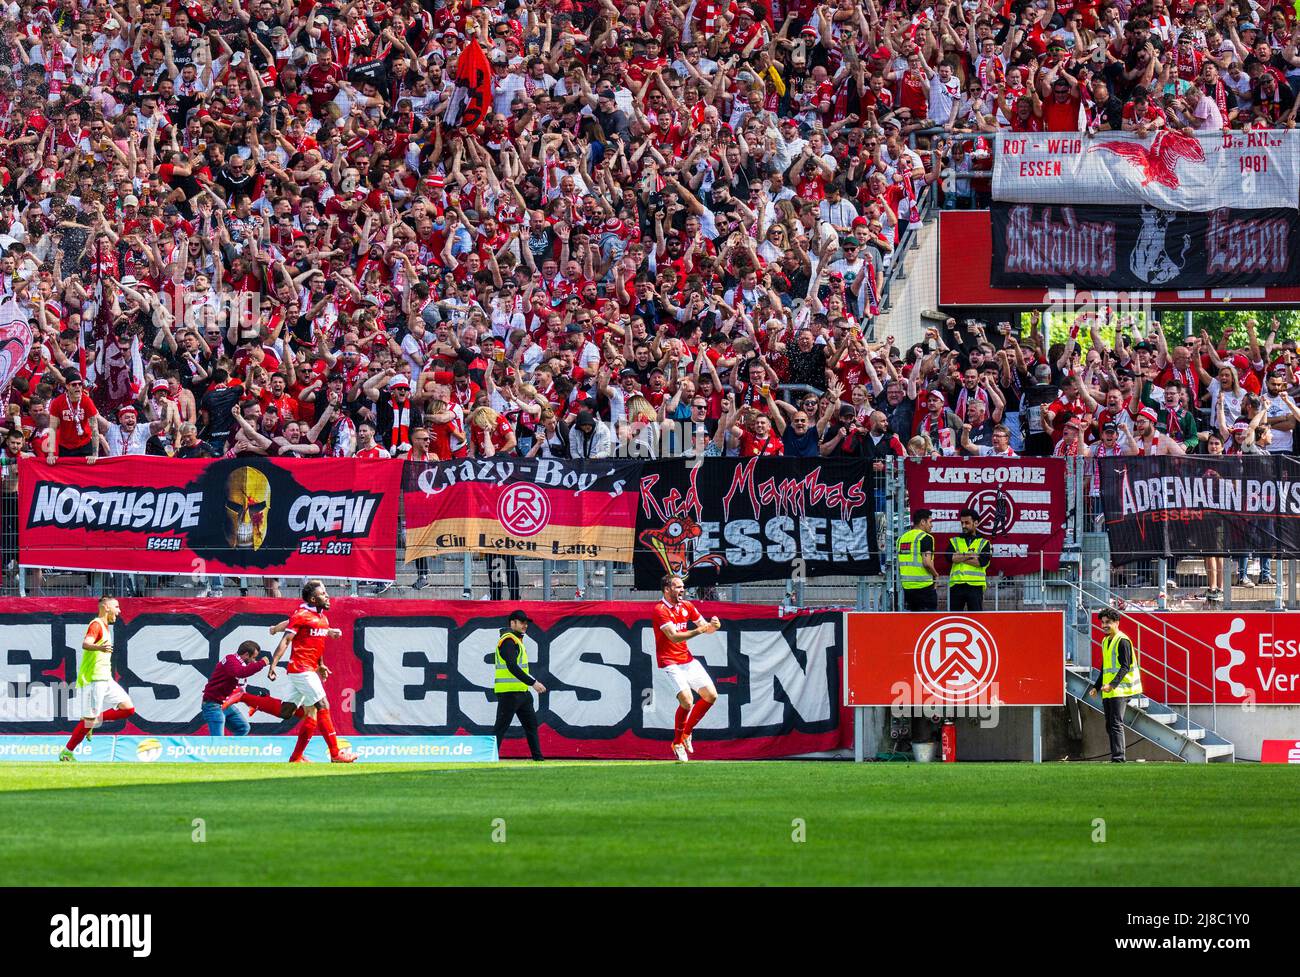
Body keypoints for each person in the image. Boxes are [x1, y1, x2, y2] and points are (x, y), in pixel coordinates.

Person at [268, 580, 358, 764]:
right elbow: (286, 641)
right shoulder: (301, 615)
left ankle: (295, 758)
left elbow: (317, 645)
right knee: (322, 704)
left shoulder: (323, 619)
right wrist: (273, 664)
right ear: (312, 598)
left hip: (307, 669)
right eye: (323, 593)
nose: (327, 596)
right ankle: (335, 753)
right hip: (301, 669)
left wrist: (321, 665)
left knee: (291, 712)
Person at [652, 573, 722, 763]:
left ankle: (687, 733)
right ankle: (677, 743)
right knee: (688, 701)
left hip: (687, 660)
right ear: (667, 590)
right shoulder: (660, 610)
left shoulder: (687, 606)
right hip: (669, 662)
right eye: (678, 587)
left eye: (683, 586)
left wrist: (714, 625)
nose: (682, 590)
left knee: (711, 696)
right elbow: (673, 637)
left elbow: (706, 628)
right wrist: (699, 630)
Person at [60, 597, 135, 761]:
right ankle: (67, 752)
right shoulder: (96, 624)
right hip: (94, 679)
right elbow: (86, 643)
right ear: (105, 607)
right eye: (116, 606)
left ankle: (94, 720)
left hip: (105, 679)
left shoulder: (106, 627)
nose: (119, 610)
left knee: (128, 709)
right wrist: (99, 647)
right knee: (88, 720)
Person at [1089, 607, 1143, 763]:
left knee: (1115, 723)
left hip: (1121, 689)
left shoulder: (1123, 640)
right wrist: (1096, 686)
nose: (1104, 625)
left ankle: (1118, 758)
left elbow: (1125, 666)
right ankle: (1116, 756)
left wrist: (1112, 685)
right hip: (1109, 690)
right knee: (1110, 724)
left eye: (1108, 622)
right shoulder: (1106, 640)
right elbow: (1105, 668)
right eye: (1103, 622)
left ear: (1117, 623)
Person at [493, 609, 546, 761]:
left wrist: (529, 685)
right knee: (500, 729)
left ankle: (538, 759)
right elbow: (512, 666)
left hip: (522, 692)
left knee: (531, 727)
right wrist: (533, 682)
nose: (525, 625)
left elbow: (518, 668)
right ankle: (488, 758)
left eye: (526, 623)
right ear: (512, 623)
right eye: (522, 622)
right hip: (509, 693)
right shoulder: (508, 641)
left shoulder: (516, 641)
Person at [200, 640, 269, 737]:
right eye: (253, 658)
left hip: (224, 703)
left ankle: (228, 750)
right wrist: (261, 664)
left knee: (243, 728)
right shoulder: (231, 661)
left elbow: (240, 687)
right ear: (246, 654)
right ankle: (219, 751)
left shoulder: (237, 662)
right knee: (217, 741)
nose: (254, 661)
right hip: (213, 704)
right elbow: (241, 672)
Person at [947, 507, 991, 611]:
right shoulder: (954, 541)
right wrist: (971, 555)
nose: (963, 526)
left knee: (976, 619)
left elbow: (981, 562)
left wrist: (960, 556)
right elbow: (951, 558)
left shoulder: (984, 543)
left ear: (976, 523)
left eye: (967, 523)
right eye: (962, 523)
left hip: (975, 585)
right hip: (957, 585)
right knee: (954, 618)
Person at [898, 509, 937, 611]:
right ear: (922, 522)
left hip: (907, 587)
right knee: (929, 622)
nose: (931, 525)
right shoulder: (926, 538)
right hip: (924, 586)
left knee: (914, 622)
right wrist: (936, 575)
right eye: (930, 522)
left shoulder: (902, 538)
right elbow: (927, 563)